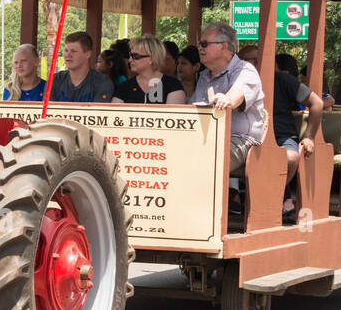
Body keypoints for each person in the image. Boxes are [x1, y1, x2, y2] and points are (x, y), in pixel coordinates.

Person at [192, 20, 266, 173]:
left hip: (239, 139)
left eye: (204, 44)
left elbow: (234, 98)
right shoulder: (204, 75)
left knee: (207, 160)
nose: (199, 48)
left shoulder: (246, 70)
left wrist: (226, 99)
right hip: (206, 137)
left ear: (224, 46)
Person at [271, 54, 323, 216]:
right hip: (251, 137)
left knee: (290, 157)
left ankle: (275, 196)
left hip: (282, 136)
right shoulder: (240, 79)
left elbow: (318, 103)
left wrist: (309, 136)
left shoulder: (282, 79)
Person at [112, 35, 185, 104]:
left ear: (152, 58)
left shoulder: (173, 86)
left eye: (135, 56)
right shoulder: (124, 87)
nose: (130, 60)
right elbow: (114, 115)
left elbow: (172, 116)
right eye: (130, 55)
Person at [48, 31, 115, 103]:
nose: (68, 55)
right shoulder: (55, 80)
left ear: (88, 54)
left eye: (73, 51)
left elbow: (99, 112)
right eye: (66, 51)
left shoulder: (102, 82)